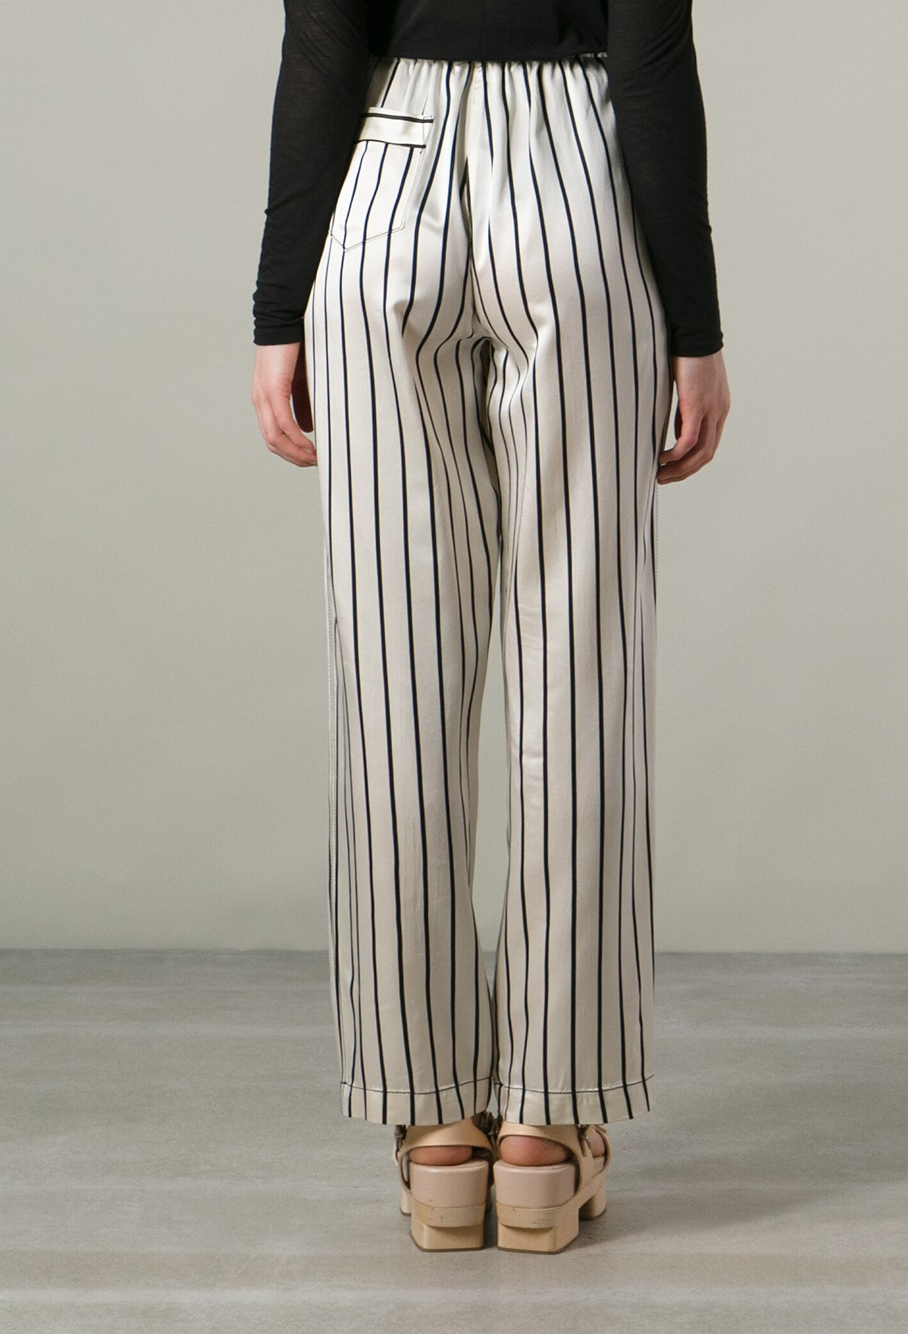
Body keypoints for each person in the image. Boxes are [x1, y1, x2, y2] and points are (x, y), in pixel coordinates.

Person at [250, 0, 731, 1253]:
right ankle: (545, 1126)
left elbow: (321, 45)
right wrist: (695, 327)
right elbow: (652, 54)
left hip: (383, 177)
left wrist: (277, 308)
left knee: (395, 674)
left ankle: (435, 1128)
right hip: (580, 174)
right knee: (579, 662)